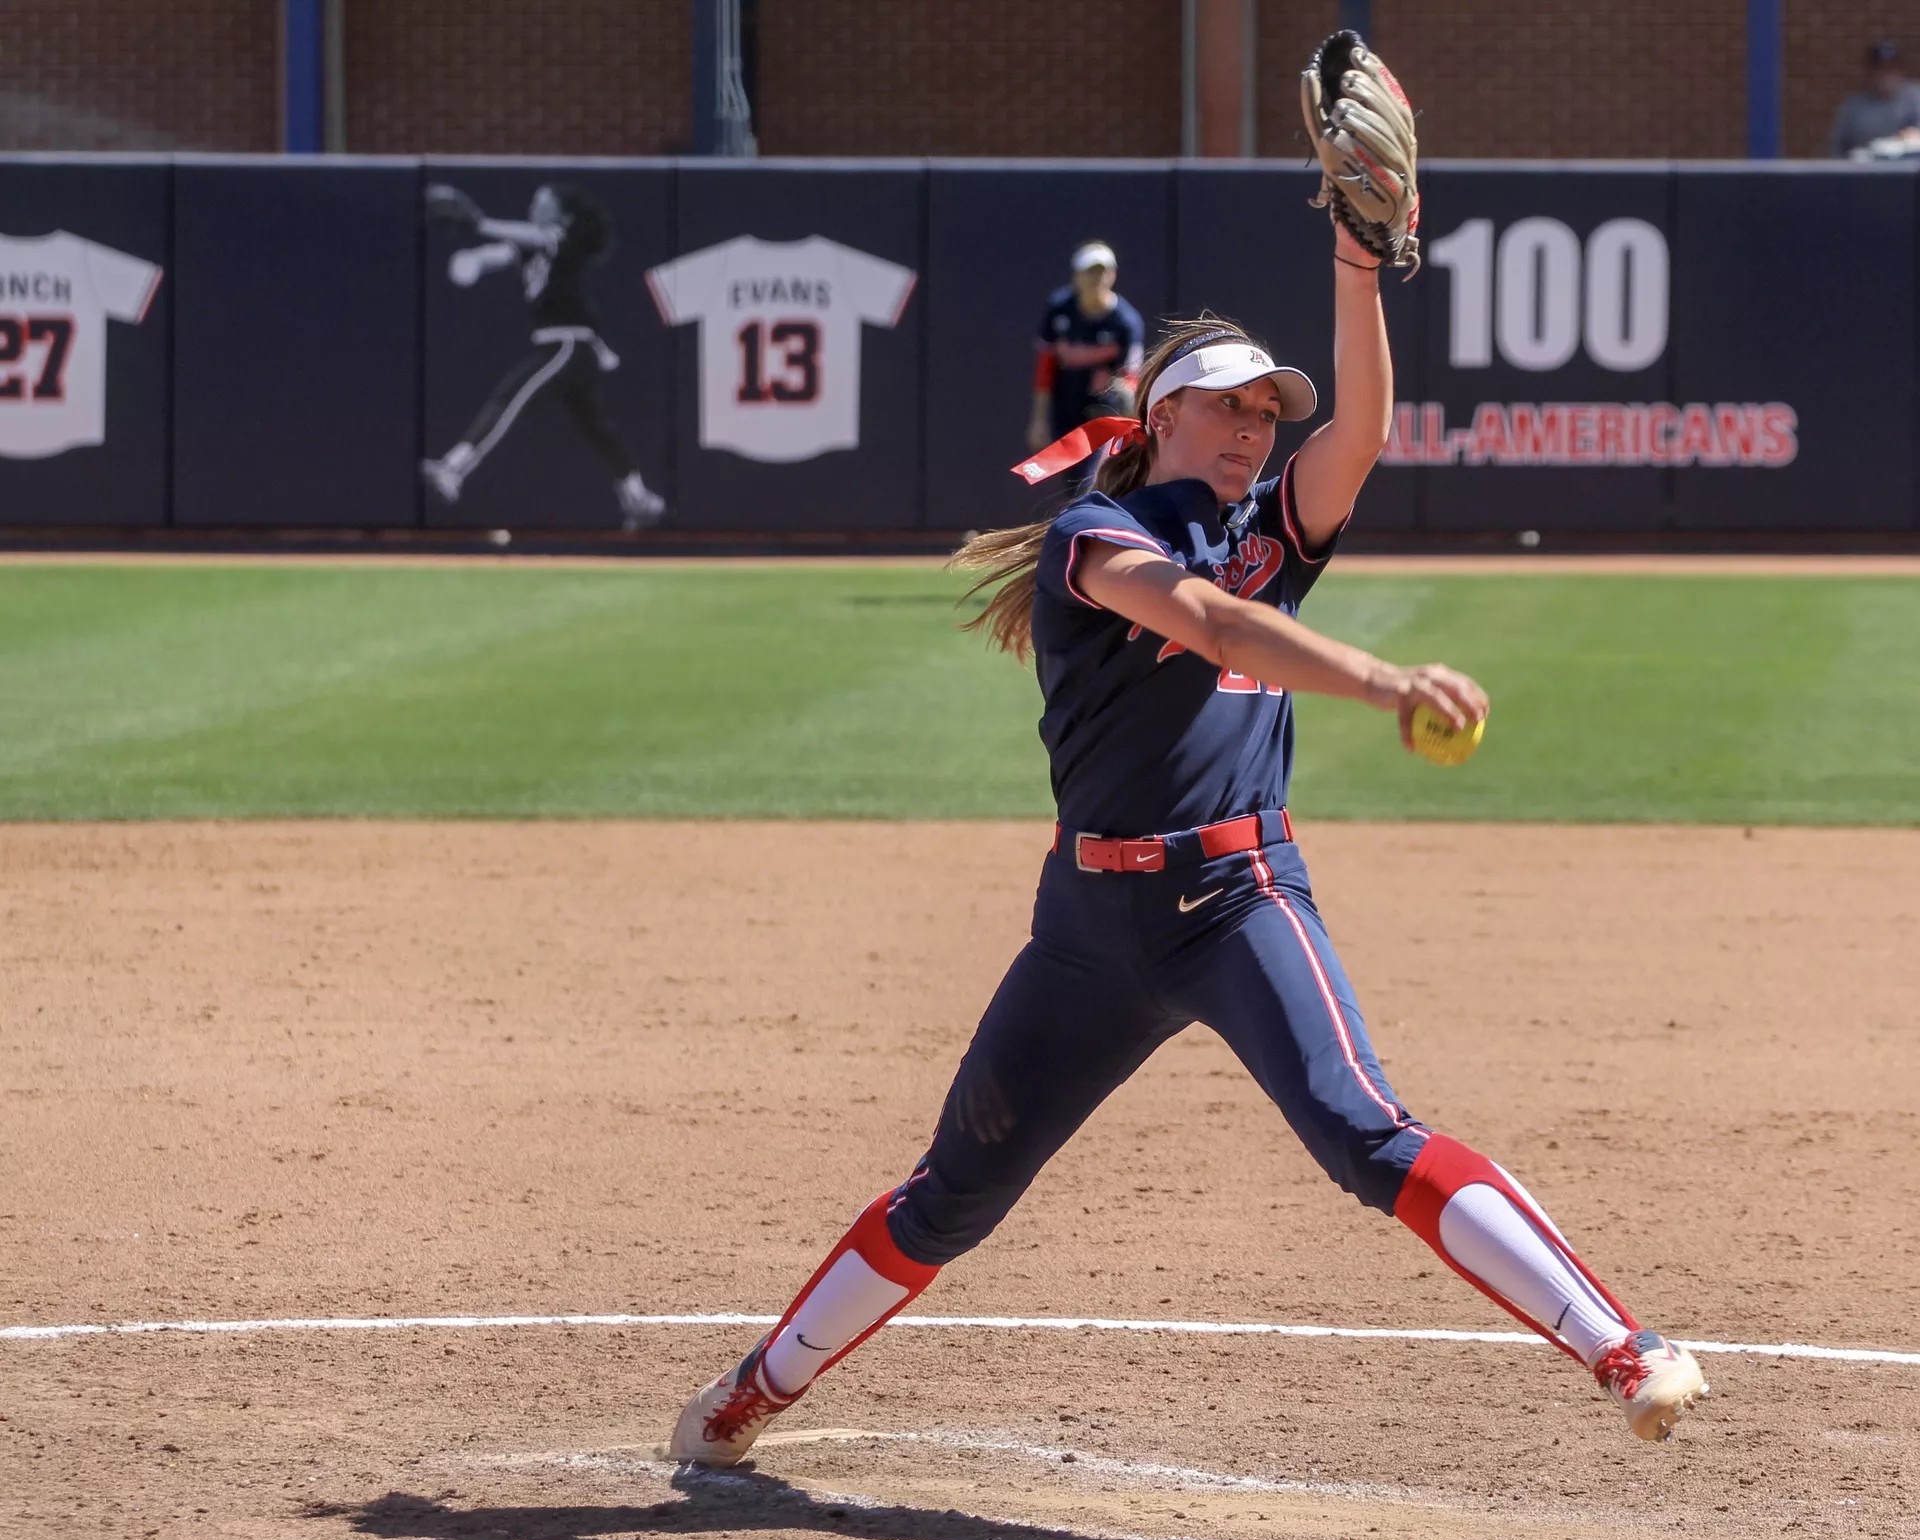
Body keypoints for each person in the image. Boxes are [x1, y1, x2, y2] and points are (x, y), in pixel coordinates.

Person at [668, 211, 1710, 1469]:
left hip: (1239, 896)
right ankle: (753, 1391)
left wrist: (1355, 259)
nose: (1253, 428)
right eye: (1228, 406)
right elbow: (1211, 625)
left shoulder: (1271, 532)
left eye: (1266, 413)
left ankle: (1621, 1347)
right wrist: (1382, 682)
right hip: (1087, 933)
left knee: (1362, 1129)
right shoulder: (1094, 540)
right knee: (952, 1194)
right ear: (1161, 417)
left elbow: (1364, 431)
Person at [421, 182, 666, 530]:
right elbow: (500, 253)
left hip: (568, 345)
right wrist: (473, 258)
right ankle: (638, 497)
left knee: (509, 396)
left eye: (543, 198)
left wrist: (478, 223)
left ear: (561, 212)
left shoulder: (565, 236)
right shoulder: (528, 244)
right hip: (568, 348)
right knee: (597, 428)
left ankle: (453, 469)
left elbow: (537, 238)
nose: (534, 201)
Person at [1027, 241, 1145, 497]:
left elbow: (1132, 377)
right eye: (1090, 271)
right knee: (1073, 483)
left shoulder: (1126, 322)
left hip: (1103, 416)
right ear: (1076, 276)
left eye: (1103, 271)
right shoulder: (1059, 308)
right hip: (1065, 409)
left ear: (1113, 275)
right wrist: (1038, 419)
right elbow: (1045, 367)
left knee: (1092, 481)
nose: (1097, 278)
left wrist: (1126, 403)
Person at [1828, 41, 1920, 157]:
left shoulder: (1916, 96)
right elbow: (1837, 147)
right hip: (1863, 170)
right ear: (1870, 72)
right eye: (1880, 69)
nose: (1886, 75)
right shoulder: (1853, 106)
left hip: (1905, 168)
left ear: (1901, 70)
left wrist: (1910, 137)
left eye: (1892, 68)